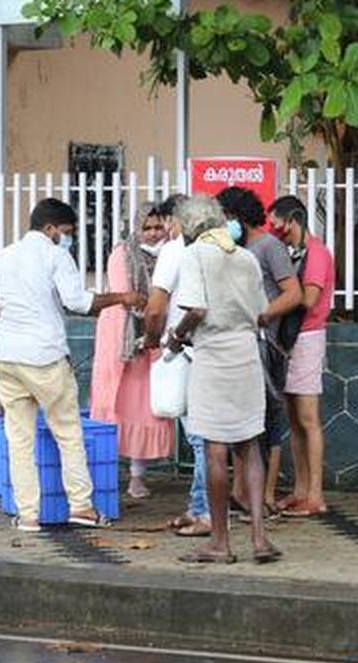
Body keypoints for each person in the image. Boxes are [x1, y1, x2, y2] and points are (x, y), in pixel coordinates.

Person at [0, 197, 144, 532]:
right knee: (68, 432)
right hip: (45, 357)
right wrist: (123, 297)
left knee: (19, 439)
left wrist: (10, 323)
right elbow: (78, 302)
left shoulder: (1, 257)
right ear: (50, 228)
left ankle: (28, 516)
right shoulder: (56, 256)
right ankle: (81, 507)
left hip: (7, 356)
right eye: (67, 231)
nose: (69, 238)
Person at [169, 195, 279, 564]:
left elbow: (196, 309)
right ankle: (259, 539)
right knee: (249, 445)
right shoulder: (245, 257)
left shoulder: (195, 255)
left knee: (216, 450)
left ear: (189, 227)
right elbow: (262, 313)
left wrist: (177, 336)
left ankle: (220, 542)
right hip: (246, 354)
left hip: (213, 357)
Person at [215, 187, 302, 519]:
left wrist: (263, 316)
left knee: (265, 422)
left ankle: (261, 496)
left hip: (265, 344)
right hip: (240, 344)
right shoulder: (235, 249)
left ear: (238, 216)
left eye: (226, 217)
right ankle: (241, 493)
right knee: (242, 422)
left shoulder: (269, 247)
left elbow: (293, 293)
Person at [90, 202, 174, 500]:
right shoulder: (122, 253)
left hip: (154, 338)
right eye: (146, 228)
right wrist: (153, 310)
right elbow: (128, 298)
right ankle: (106, 473)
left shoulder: (171, 254)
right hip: (122, 338)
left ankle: (137, 477)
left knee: (144, 407)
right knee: (115, 403)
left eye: (158, 227)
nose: (153, 233)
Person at [143, 194, 213, 536]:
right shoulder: (218, 250)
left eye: (166, 221)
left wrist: (151, 338)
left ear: (176, 221)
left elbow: (156, 306)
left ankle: (205, 512)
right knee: (210, 436)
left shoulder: (174, 251)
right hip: (216, 349)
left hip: (185, 349)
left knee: (199, 438)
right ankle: (199, 505)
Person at [269, 195, 335, 517]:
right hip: (292, 338)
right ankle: (300, 489)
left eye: (277, 224)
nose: (275, 230)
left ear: (292, 220)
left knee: (308, 419)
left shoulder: (317, 254)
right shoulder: (294, 252)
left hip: (308, 337)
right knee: (294, 419)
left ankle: (315, 495)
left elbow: (308, 298)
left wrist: (280, 299)